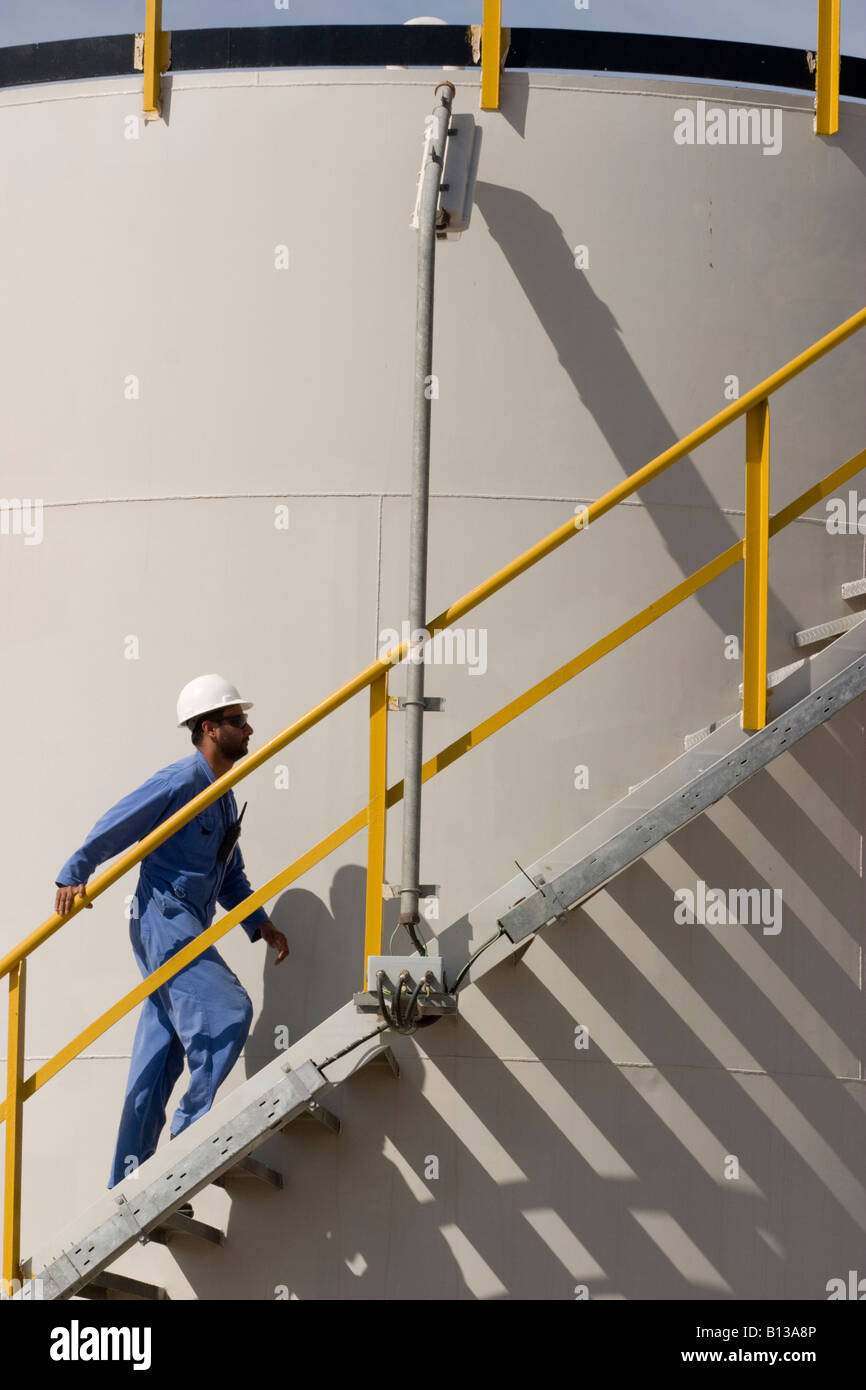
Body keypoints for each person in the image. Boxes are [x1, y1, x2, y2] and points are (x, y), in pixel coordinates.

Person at [54, 674, 289, 1195]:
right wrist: (76, 870)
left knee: (160, 1055)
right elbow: (122, 820)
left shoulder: (223, 797)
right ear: (209, 728)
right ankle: (187, 1139)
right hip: (163, 918)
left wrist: (259, 922)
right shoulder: (182, 780)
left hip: (183, 923)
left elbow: (229, 874)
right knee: (229, 1010)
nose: (248, 728)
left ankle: (129, 1184)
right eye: (236, 721)